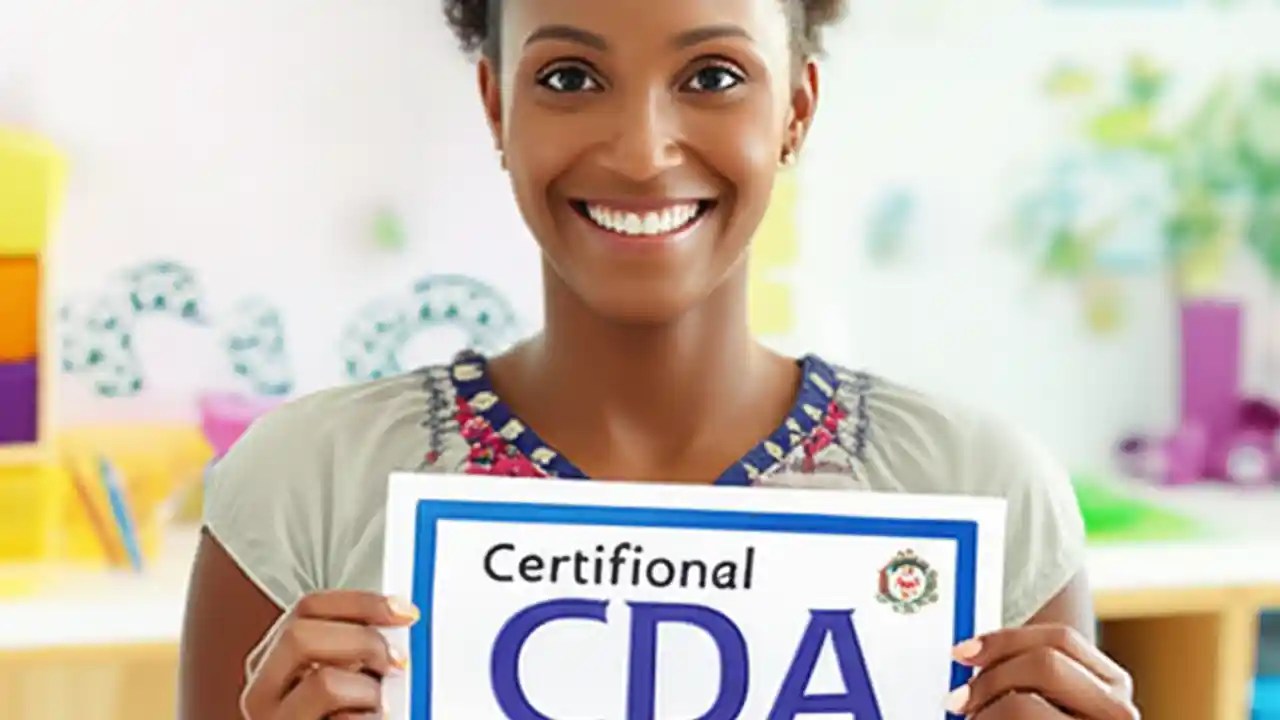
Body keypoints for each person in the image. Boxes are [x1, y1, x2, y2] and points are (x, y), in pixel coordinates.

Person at [178, 0, 1139, 717]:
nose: (641, 152)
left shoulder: (982, 494)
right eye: (568, 78)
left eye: (714, 75)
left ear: (797, 108)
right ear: (495, 106)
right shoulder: (303, 489)